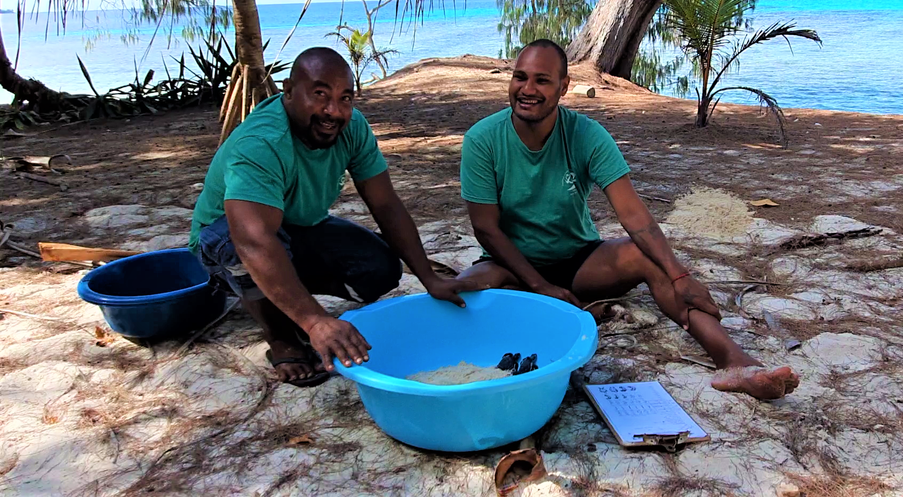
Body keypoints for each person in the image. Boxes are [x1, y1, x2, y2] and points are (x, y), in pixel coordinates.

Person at [456, 39, 800, 400]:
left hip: (578, 263)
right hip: (511, 267)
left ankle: (736, 363)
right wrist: (540, 285)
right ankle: (552, 310)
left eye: (542, 80)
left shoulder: (586, 134)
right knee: (462, 291)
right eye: (520, 77)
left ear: (564, 86)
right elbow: (486, 229)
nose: (527, 89)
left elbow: (634, 214)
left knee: (647, 257)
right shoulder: (483, 139)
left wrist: (679, 275)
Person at [189, 47, 472, 387]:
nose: (333, 111)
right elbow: (254, 241)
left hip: (296, 227)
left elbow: (386, 204)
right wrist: (315, 321)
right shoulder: (261, 142)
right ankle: (281, 336)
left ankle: (282, 292)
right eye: (320, 94)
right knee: (244, 248)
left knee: (380, 269)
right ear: (288, 91)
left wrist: (428, 277)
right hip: (226, 239)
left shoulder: (353, 128)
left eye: (345, 98)